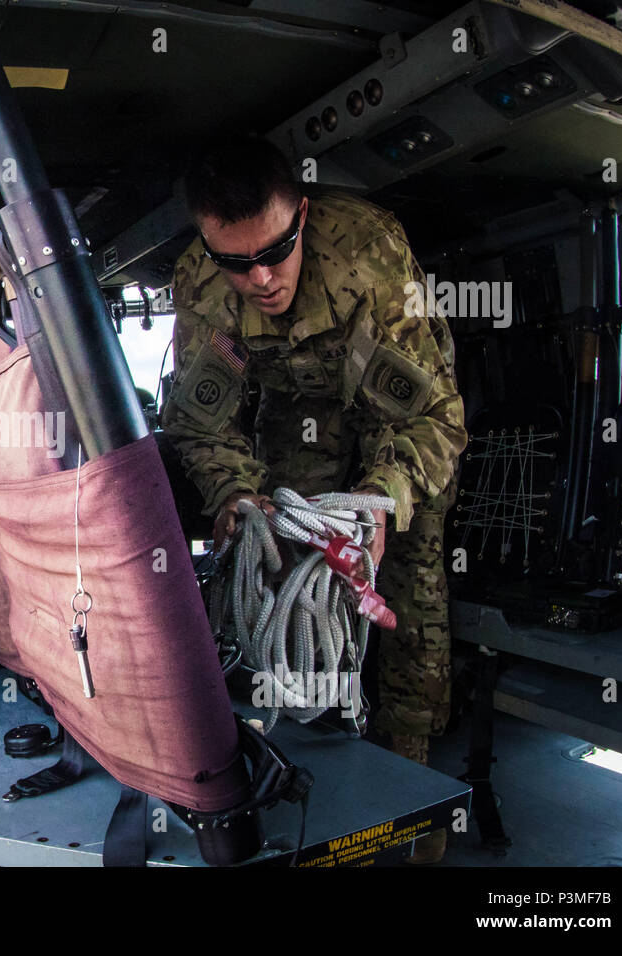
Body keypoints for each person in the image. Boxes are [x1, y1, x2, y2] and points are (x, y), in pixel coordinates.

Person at [161, 134, 466, 863]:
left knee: (410, 609)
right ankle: (320, 775)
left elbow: (433, 418)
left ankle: (414, 801)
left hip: (402, 427)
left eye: (276, 249)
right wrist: (237, 492)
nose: (261, 278)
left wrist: (382, 500)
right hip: (301, 421)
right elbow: (202, 424)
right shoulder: (202, 287)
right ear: (208, 246)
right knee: (296, 589)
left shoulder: (366, 254)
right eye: (237, 262)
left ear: (301, 213)